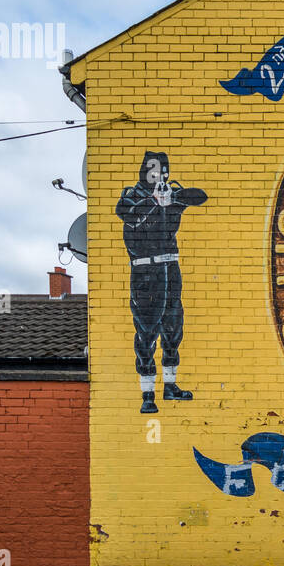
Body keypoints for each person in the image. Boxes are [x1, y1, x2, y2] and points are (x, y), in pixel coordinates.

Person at [116, 151, 208, 414]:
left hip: (171, 270)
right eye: (155, 172)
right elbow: (127, 214)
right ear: (144, 171)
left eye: (164, 172)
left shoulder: (170, 195)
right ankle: (147, 392)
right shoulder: (131, 196)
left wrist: (173, 198)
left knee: (173, 329)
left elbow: (200, 196)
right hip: (145, 272)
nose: (160, 177)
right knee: (146, 333)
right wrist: (155, 203)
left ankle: (170, 385)